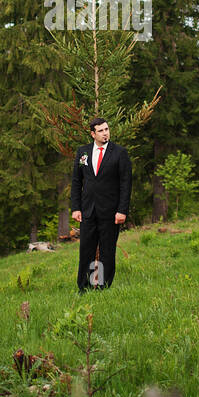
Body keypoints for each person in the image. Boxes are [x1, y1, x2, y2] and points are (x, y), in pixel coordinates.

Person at [70, 116, 131, 291]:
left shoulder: (119, 153)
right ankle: (85, 287)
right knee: (86, 251)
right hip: (88, 210)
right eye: (101, 131)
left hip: (111, 212)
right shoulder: (83, 152)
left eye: (106, 129)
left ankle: (103, 286)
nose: (105, 133)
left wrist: (122, 210)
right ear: (92, 134)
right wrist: (76, 207)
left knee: (107, 251)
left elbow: (125, 184)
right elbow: (76, 181)